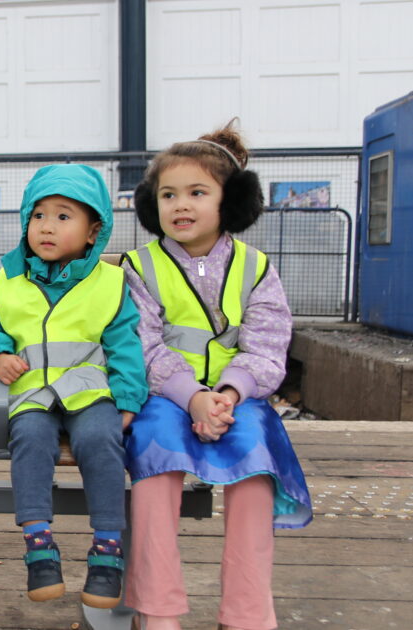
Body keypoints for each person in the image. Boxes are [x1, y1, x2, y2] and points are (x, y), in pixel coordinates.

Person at [121, 121, 313, 630]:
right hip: (165, 396)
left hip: (238, 399)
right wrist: (192, 397)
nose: (180, 205)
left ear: (231, 201)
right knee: (155, 463)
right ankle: (156, 610)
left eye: (197, 192)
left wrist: (228, 392)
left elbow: (268, 347)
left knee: (255, 469)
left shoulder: (256, 268)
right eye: (168, 195)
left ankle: (247, 613)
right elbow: (141, 347)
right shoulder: (139, 267)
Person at [0, 164, 146, 608]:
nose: (46, 227)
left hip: (89, 391)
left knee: (101, 439)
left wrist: (127, 397)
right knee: (29, 438)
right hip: (32, 392)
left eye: (63, 216)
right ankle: (39, 545)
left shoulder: (110, 282)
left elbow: (125, 344)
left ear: (93, 231)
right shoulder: (7, 278)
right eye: (38, 215)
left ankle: (107, 547)